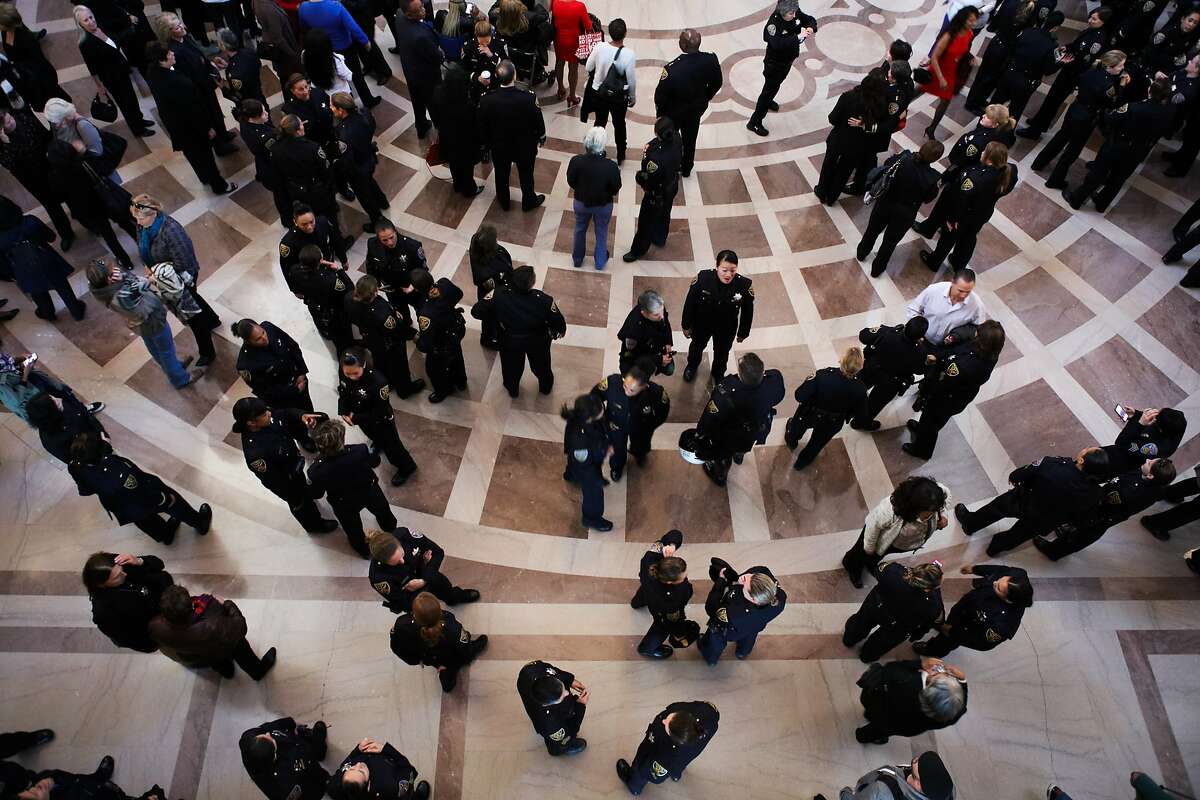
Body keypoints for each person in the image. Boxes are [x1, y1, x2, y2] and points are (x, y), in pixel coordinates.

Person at [955, 446, 1110, 556]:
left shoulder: (1054, 464)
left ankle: (970, 524)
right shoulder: (1094, 494)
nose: (1084, 448)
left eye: (1086, 449)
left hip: (1022, 500)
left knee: (994, 509)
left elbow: (1027, 471)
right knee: (1017, 536)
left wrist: (1015, 476)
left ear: (1081, 460)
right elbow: (1079, 518)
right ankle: (995, 548)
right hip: (1044, 520)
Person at [68, 431, 212, 543]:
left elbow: (86, 490)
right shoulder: (120, 471)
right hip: (145, 496)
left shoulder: (74, 466)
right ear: (99, 451)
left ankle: (166, 536)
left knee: (146, 522)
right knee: (176, 506)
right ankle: (200, 523)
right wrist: (166, 500)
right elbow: (144, 491)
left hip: (121, 507)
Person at [86, 259, 204, 389]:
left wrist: (120, 277)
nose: (115, 270)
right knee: (166, 351)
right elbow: (143, 283)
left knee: (155, 348)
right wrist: (125, 277)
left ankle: (174, 367)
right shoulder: (121, 296)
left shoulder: (99, 290)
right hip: (151, 320)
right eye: (112, 271)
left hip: (140, 324)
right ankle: (180, 378)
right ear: (109, 280)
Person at [1063, 78, 1175, 211]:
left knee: (1098, 172)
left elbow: (1111, 118)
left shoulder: (1134, 107)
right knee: (1118, 179)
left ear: (1149, 91)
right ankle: (1102, 203)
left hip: (1118, 144)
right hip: (1138, 150)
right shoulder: (1167, 114)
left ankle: (1077, 199)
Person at [232, 397, 338, 533]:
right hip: (288, 482)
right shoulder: (256, 454)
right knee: (301, 505)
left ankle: (306, 494)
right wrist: (293, 496)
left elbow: (284, 413)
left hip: (294, 466)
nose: (269, 413)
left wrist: (301, 415)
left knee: (304, 490)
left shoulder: (265, 415)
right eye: (264, 414)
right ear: (251, 423)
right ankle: (315, 526)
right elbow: (273, 481)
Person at [143, 41, 237, 194]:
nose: (172, 54)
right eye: (169, 53)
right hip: (191, 127)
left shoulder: (153, 72)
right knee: (205, 156)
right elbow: (191, 110)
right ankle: (219, 185)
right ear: (162, 60)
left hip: (176, 126)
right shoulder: (175, 81)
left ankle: (204, 177)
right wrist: (207, 128)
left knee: (193, 155)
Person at [1036, 458, 1177, 560]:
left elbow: (1109, 498)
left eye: (1149, 463)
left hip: (1104, 512)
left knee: (1083, 534)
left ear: (1151, 476)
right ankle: (1068, 529)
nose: (1147, 460)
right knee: (1079, 522)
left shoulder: (1132, 492)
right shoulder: (1151, 481)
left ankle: (1053, 551)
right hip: (1105, 507)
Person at [903, 318, 1005, 459]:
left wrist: (930, 390)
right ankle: (921, 429)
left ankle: (922, 450)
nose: (975, 331)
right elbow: (957, 351)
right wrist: (939, 356)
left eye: (979, 331)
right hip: (959, 394)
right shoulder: (989, 352)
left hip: (947, 399)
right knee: (929, 419)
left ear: (981, 340)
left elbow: (945, 383)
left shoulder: (964, 366)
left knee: (932, 422)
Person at [913, 103, 1014, 240]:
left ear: (995, 124)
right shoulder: (997, 133)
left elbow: (960, 162)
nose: (983, 116)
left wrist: (945, 176)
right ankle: (942, 225)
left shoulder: (979, 142)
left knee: (944, 203)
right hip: (970, 171)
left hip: (961, 174)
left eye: (987, 117)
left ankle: (928, 228)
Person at [1030, 50, 1129, 189]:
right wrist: (1121, 86)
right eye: (1120, 66)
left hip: (1075, 108)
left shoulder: (1092, 70)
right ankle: (1055, 179)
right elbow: (1112, 102)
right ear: (1109, 66)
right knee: (1072, 150)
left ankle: (1039, 163)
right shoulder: (1108, 84)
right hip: (1087, 117)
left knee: (1060, 138)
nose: (1122, 68)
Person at [470, 264, 567, 397]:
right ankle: (545, 387)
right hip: (537, 341)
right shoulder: (543, 300)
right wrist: (557, 331)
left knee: (511, 369)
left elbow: (476, 311)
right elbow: (558, 322)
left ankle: (513, 390)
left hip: (510, 340)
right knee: (541, 367)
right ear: (531, 283)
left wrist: (497, 317)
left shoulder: (499, 294)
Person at [1018, 8, 1116, 139]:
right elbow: (1077, 45)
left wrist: (1066, 62)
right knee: (1051, 99)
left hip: (1072, 74)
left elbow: (1084, 60)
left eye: (1094, 19)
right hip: (1069, 70)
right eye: (1090, 17)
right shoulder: (1091, 30)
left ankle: (1035, 130)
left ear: (1103, 22)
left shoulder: (1098, 40)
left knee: (1053, 101)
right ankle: (1039, 122)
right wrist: (1068, 47)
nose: (1090, 20)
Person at [920, 140, 1017, 272]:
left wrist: (952, 220)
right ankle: (958, 263)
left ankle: (934, 262)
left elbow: (961, 200)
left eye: (985, 151)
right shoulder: (1010, 172)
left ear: (989, 159)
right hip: (981, 215)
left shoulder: (975, 178)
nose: (982, 152)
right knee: (968, 238)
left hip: (963, 216)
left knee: (948, 239)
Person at [307, 418, 397, 558]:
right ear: (341, 440)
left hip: (343, 503)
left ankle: (363, 549)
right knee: (383, 511)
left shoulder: (316, 471)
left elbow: (317, 493)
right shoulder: (359, 451)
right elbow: (375, 461)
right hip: (369, 491)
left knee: (353, 529)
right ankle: (392, 531)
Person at [149, 584, 277, 680]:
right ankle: (257, 671)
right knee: (239, 645)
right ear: (191, 606)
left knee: (216, 660)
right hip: (223, 645)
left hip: (200, 654)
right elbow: (240, 626)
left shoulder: (155, 626)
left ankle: (227, 672)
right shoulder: (213, 620)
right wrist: (227, 603)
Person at [693, 352, 784, 486]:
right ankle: (739, 455)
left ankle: (720, 477)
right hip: (754, 430)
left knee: (723, 455)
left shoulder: (725, 393)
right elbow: (779, 396)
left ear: (740, 376)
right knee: (745, 445)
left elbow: (709, 419)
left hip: (731, 435)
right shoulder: (774, 381)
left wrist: (699, 433)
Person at [842, 476, 950, 588]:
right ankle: (851, 566)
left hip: (896, 544)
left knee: (878, 555)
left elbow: (945, 498)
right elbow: (872, 526)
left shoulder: (935, 496)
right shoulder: (889, 511)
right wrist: (869, 547)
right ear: (915, 507)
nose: (934, 513)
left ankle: (871, 563)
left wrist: (944, 515)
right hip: (878, 538)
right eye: (931, 511)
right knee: (860, 553)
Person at [856, 141, 943, 277]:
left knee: (872, 230)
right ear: (935, 159)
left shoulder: (904, 158)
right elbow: (927, 199)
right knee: (890, 242)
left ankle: (861, 253)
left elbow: (887, 164)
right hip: (905, 213)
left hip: (885, 203)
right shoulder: (934, 177)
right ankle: (877, 269)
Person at [336, 346, 419, 486]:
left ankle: (407, 467)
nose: (351, 377)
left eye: (355, 373)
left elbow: (380, 412)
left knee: (392, 448)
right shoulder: (345, 370)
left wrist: (355, 418)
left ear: (363, 365)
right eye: (347, 373)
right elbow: (343, 391)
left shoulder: (378, 383)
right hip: (363, 419)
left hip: (381, 421)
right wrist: (343, 410)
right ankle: (378, 442)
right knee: (372, 435)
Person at [915, 563, 1032, 655]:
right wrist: (975, 569)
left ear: (1008, 599)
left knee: (946, 641)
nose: (995, 582)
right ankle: (944, 625)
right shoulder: (1018, 574)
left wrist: (952, 632)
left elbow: (980, 642)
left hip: (966, 627)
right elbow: (997, 570)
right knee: (948, 621)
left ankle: (932, 650)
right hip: (965, 607)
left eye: (999, 588)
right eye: (1001, 579)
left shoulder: (1004, 624)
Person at [0, 107, 75, 248]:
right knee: (51, 206)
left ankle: (85, 219)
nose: (12, 122)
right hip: (32, 179)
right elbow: (10, 164)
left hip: (49, 166)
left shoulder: (24, 119)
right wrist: (7, 144)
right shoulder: (3, 144)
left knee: (68, 193)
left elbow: (46, 136)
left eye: (10, 118)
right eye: (7, 123)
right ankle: (66, 234)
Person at [75, 5, 155, 136]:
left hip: (122, 70)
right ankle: (137, 129)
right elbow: (92, 68)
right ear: (80, 24)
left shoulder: (102, 28)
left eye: (91, 17)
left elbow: (115, 42)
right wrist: (99, 86)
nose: (91, 21)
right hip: (112, 78)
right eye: (86, 20)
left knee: (132, 99)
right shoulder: (85, 43)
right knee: (126, 104)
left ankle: (140, 120)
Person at [785, 347, 869, 470]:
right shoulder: (860, 389)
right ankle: (801, 463)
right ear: (860, 367)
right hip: (833, 422)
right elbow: (861, 416)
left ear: (841, 360)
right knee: (816, 444)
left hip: (809, 413)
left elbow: (800, 395)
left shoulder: (822, 375)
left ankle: (791, 442)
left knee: (796, 429)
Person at [844, 562, 945, 663]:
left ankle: (849, 639)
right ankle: (866, 656)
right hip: (897, 626)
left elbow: (878, 569)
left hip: (876, 606)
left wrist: (915, 572)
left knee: (860, 623)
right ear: (927, 588)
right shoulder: (933, 606)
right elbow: (936, 621)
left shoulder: (893, 570)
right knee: (880, 644)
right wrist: (936, 591)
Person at [479, 59, 546, 211]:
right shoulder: (528, 97)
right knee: (526, 174)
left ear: (497, 76)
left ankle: (504, 201)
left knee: (501, 173)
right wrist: (542, 137)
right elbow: (538, 120)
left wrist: (487, 143)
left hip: (499, 145)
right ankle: (529, 201)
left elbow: (483, 125)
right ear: (514, 75)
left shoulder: (487, 99)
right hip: (524, 145)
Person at [654, 28, 722, 178]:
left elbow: (660, 96)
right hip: (695, 110)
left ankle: (671, 165)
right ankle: (686, 168)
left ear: (683, 46)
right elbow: (717, 82)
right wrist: (705, 98)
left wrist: (660, 116)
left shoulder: (672, 70)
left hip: (674, 113)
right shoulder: (710, 60)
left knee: (670, 139)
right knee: (690, 140)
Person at [0, 203, 86, 321]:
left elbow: (3, 264)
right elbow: (51, 237)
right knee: (62, 286)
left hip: (23, 269)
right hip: (46, 259)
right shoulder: (30, 221)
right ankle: (76, 311)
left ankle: (48, 313)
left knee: (37, 291)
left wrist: (12, 274)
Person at [815, 70, 888, 206]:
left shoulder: (848, 97)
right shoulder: (881, 105)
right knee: (844, 171)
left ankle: (822, 191)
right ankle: (832, 197)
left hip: (838, 139)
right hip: (858, 145)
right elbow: (879, 127)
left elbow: (833, 118)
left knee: (829, 164)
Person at [390, 591, 488, 693]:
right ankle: (469, 655)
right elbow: (463, 646)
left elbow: (397, 647)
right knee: (462, 656)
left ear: (414, 614)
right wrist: (468, 652)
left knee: (447, 678)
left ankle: (446, 680)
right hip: (451, 657)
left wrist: (418, 660)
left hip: (430, 658)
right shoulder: (450, 626)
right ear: (439, 611)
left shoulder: (401, 624)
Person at [680, 250, 754, 383]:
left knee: (722, 353)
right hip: (702, 324)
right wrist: (686, 325)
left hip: (726, 328)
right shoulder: (703, 279)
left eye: (733, 270)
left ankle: (718, 373)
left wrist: (743, 333)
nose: (728, 274)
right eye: (724, 270)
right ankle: (692, 366)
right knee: (696, 347)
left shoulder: (744, 285)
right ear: (717, 267)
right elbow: (690, 303)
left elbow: (747, 312)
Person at [346, 275, 427, 397]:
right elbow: (396, 330)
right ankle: (405, 389)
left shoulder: (349, 299)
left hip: (371, 339)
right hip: (389, 343)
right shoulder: (381, 313)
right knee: (400, 366)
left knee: (380, 362)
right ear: (374, 292)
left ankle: (387, 383)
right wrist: (413, 333)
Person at [615, 701, 719, 796]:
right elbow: (712, 710)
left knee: (640, 770)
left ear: (676, 738)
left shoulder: (665, 753)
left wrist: (641, 766)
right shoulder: (707, 719)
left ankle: (635, 787)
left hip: (653, 756)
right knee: (681, 762)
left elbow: (653, 773)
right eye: (673, 716)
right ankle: (675, 774)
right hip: (684, 757)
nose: (664, 720)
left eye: (668, 726)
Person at [855, 657, 967, 744]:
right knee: (881, 731)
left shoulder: (906, 683)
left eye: (940, 676)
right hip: (904, 727)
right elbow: (961, 707)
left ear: (929, 688)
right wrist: (962, 681)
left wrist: (920, 664)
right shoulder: (948, 715)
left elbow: (890, 669)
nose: (943, 673)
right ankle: (867, 734)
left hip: (883, 706)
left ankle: (862, 735)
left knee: (875, 717)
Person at [366, 527, 479, 613]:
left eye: (402, 555)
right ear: (384, 561)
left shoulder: (405, 535)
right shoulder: (378, 577)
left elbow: (437, 552)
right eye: (396, 562)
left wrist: (423, 581)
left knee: (442, 585)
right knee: (430, 616)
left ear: (398, 542)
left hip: (427, 573)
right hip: (414, 596)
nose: (402, 561)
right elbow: (405, 604)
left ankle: (453, 598)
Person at [981, 11, 1066, 124]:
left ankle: (982, 125)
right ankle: (1005, 133)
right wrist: (1061, 62)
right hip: (1026, 82)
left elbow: (1013, 48)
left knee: (995, 104)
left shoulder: (1028, 31)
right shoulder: (1052, 45)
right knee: (1014, 112)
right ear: (1056, 27)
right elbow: (1048, 70)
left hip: (1010, 73)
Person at [746, 0, 816, 136]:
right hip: (775, 64)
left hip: (787, 60)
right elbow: (776, 44)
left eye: (794, 12)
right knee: (768, 92)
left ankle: (768, 100)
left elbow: (809, 20)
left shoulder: (793, 10)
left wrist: (810, 28)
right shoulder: (773, 24)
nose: (794, 15)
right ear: (782, 13)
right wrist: (797, 37)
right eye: (791, 14)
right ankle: (754, 122)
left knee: (775, 86)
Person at [698, 557, 786, 664]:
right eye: (752, 576)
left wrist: (720, 582)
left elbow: (711, 608)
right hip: (754, 626)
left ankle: (710, 658)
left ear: (753, 599)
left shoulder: (733, 613)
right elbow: (763, 570)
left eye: (745, 585)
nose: (745, 577)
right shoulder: (780, 597)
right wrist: (737, 578)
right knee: (749, 636)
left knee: (715, 640)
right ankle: (743, 652)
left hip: (730, 631)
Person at [81, 551, 174, 653]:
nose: (124, 574)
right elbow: (127, 639)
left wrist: (139, 561)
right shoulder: (103, 612)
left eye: (121, 570)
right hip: (158, 630)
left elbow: (159, 564)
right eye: (116, 577)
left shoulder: (119, 564)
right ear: (101, 584)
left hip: (166, 601)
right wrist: (157, 641)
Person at [850, 317, 931, 431]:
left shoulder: (887, 332)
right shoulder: (921, 353)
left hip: (871, 369)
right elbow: (920, 370)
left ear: (906, 325)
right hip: (891, 382)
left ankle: (847, 406)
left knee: (856, 388)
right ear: (920, 336)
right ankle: (860, 423)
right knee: (874, 404)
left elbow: (863, 335)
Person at [271, 113, 344, 239]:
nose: (303, 125)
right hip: (317, 190)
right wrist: (330, 188)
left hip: (296, 190)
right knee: (329, 217)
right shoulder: (312, 148)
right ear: (297, 131)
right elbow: (326, 170)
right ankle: (337, 240)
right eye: (301, 124)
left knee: (309, 218)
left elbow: (278, 174)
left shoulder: (276, 149)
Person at [621, 117, 682, 263]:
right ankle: (660, 237)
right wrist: (650, 146)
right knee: (665, 213)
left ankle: (637, 250)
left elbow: (649, 178)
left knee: (646, 222)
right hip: (672, 184)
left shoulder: (655, 159)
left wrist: (646, 154)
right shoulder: (676, 137)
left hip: (657, 193)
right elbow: (658, 143)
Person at [298, 0, 380, 107]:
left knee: (330, 78)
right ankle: (368, 101)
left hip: (321, 49)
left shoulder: (303, 8)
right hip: (344, 48)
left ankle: (340, 105)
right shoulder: (335, 6)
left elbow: (305, 29)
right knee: (357, 77)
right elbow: (352, 26)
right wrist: (365, 41)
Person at [632, 529, 697, 659]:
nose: (686, 577)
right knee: (661, 628)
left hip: (647, 588)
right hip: (660, 610)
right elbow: (673, 620)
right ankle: (647, 648)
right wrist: (679, 632)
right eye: (683, 577)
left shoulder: (651, 558)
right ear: (669, 582)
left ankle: (636, 603)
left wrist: (671, 545)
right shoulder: (674, 598)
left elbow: (675, 533)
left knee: (644, 593)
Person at [917, 6, 979, 138]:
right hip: (938, 69)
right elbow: (934, 57)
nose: (973, 23)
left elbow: (964, 50)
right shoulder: (949, 35)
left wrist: (970, 57)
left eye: (975, 20)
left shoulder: (969, 34)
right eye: (970, 20)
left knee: (945, 100)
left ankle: (931, 129)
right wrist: (940, 78)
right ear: (963, 19)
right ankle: (902, 103)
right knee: (921, 89)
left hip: (951, 71)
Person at [330, 92, 389, 230]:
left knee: (364, 195)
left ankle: (377, 220)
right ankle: (383, 201)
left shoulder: (343, 133)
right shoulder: (364, 114)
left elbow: (347, 159)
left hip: (357, 168)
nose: (331, 109)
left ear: (341, 110)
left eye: (333, 106)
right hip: (369, 158)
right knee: (370, 181)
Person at [566, 126, 622, 270]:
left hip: (581, 202)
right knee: (602, 232)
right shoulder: (611, 166)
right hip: (603, 205)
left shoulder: (576, 161)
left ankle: (577, 259)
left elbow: (571, 181)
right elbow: (616, 187)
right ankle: (600, 262)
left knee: (579, 229)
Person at [410, 270, 468, 403]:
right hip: (455, 329)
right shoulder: (444, 284)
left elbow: (426, 345)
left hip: (441, 342)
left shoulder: (426, 312)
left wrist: (418, 341)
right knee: (457, 356)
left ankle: (442, 391)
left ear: (417, 289)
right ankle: (461, 382)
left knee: (434, 369)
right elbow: (459, 294)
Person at [230, 319, 313, 412]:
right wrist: (295, 390)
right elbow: (265, 391)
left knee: (309, 410)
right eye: (258, 339)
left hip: (299, 380)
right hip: (284, 399)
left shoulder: (269, 327)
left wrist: (302, 372)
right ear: (248, 342)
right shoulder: (245, 365)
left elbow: (293, 347)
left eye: (263, 332)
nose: (264, 338)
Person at [239, 717, 330, 800]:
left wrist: (290, 723)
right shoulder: (284, 785)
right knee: (311, 771)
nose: (268, 734)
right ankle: (320, 760)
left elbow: (266, 728)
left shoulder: (248, 738)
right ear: (274, 757)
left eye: (264, 735)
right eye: (271, 739)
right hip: (304, 768)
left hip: (291, 742)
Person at [584, 17, 636, 161]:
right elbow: (631, 80)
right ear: (625, 33)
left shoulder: (599, 47)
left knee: (600, 122)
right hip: (618, 96)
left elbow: (588, 67)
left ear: (609, 33)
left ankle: (595, 149)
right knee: (619, 124)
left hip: (599, 93)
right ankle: (621, 153)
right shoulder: (629, 54)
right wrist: (632, 97)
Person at [0, 4, 69, 110]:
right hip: (25, 74)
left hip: (37, 76)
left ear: (7, 24)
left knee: (52, 98)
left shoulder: (25, 38)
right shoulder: (5, 31)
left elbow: (38, 62)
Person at [561, 393, 612, 531]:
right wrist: (599, 480)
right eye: (601, 409)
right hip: (587, 468)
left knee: (573, 467)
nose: (603, 409)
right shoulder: (580, 440)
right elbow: (585, 467)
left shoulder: (577, 417)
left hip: (577, 460)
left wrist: (605, 445)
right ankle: (592, 519)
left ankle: (571, 475)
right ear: (590, 416)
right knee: (593, 494)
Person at [517, 660, 589, 756]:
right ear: (546, 704)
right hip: (553, 728)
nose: (567, 693)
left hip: (529, 683)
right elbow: (571, 728)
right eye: (561, 696)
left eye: (562, 686)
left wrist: (570, 680)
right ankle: (560, 748)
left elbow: (553, 671)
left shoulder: (534, 669)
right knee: (559, 740)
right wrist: (580, 706)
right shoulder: (551, 724)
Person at [394, 0, 444, 138]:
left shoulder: (399, 14)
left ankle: (421, 126)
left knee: (417, 100)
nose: (424, 10)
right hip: (426, 76)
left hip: (410, 68)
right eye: (419, 10)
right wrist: (441, 55)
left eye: (422, 6)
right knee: (433, 103)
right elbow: (436, 57)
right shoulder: (421, 36)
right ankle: (440, 128)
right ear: (409, 15)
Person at [816, 751, 955, 800]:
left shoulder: (882, 790)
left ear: (918, 784)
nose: (917, 759)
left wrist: (845, 792)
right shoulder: (947, 793)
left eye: (919, 763)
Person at [239, 99, 292, 226]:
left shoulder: (245, 123)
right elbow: (277, 149)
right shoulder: (264, 137)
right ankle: (287, 219)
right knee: (282, 195)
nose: (267, 113)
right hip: (272, 169)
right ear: (253, 118)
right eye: (263, 113)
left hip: (263, 161)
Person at [432, 63, 482, 195]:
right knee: (467, 168)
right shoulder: (467, 106)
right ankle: (469, 190)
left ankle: (457, 185)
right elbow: (474, 126)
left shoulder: (438, 93)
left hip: (447, 138)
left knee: (453, 163)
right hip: (464, 142)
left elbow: (435, 115)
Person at [904, 269, 986, 347]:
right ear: (952, 282)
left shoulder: (977, 305)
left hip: (946, 347)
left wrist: (958, 336)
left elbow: (979, 328)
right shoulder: (934, 290)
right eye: (960, 291)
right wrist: (916, 332)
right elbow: (913, 309)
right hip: (920, 338)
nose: (963, 295)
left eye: (968, 292)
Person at [280, 202, 349, 293]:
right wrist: (295, 290)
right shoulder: (288, 243)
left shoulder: (322, 222)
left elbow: (335, 240)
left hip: (328, 265)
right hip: (310, 276)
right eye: (304, 224)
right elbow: (286, 267)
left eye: (311, 222)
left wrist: (344, 259)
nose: (309, 227)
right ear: (295, 222)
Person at [327, 738, 429, 800]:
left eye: (351, 769)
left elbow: (345, 764)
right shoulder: (390, 787)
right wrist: (386, 749)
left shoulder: (336, 783)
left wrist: (357, 750)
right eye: (361, 771)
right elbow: (407, 770)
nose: (358, 764)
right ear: (368, 786)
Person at [363, 220, 428, 313]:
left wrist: (413, 285)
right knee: (401, 315)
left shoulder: (412, 246)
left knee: (422, 312)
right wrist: (374, 284)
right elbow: (371, 265)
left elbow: (423, 269)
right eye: (384, 240)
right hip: (392, 291)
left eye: (391, 237)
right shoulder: (372, 244)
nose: (390, 242)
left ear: (395, 232)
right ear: (378, 238)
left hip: (412, 290)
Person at [25, 389, 105, 463]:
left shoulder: (61, 406)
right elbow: (76, 461)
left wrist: (101, 432)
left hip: (100, 439)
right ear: (50, 414)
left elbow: (86, 416)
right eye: (55, 402)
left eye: (53, 397)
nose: (59, 399)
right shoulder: (52, 442)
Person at [1103, 405, 1186, 473]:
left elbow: (1121, 443)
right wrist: (1137, 414)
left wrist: (1139, 423)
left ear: (1159, 428)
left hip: (1115, 462)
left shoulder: (1153, 447)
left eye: (1156, 417)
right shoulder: (1179, 422)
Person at [468, 224, 512, 349]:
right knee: (490, 317)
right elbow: (493, 288)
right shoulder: (484, 272)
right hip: (491, 293)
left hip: (499, 286)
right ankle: (488, 339)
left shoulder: (478, 243)